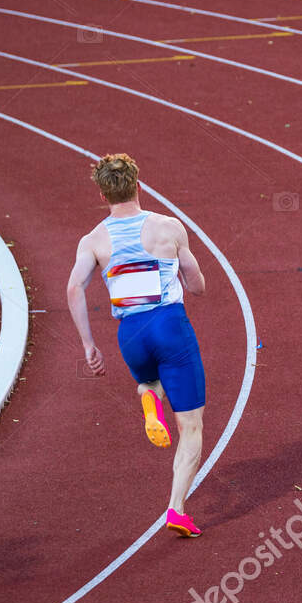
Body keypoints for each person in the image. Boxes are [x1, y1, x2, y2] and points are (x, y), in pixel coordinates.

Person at [66, 155, 208, 537]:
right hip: (169, 325)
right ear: (138, 185)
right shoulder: (168, 227)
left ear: (102, 193)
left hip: (130, 334)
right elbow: (195, 281)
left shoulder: (93, 240)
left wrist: (88, 345)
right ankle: (176, 509)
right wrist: (190, 281)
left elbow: (74, 287)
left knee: (148, 380)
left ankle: (148, 397)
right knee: (190, 426)